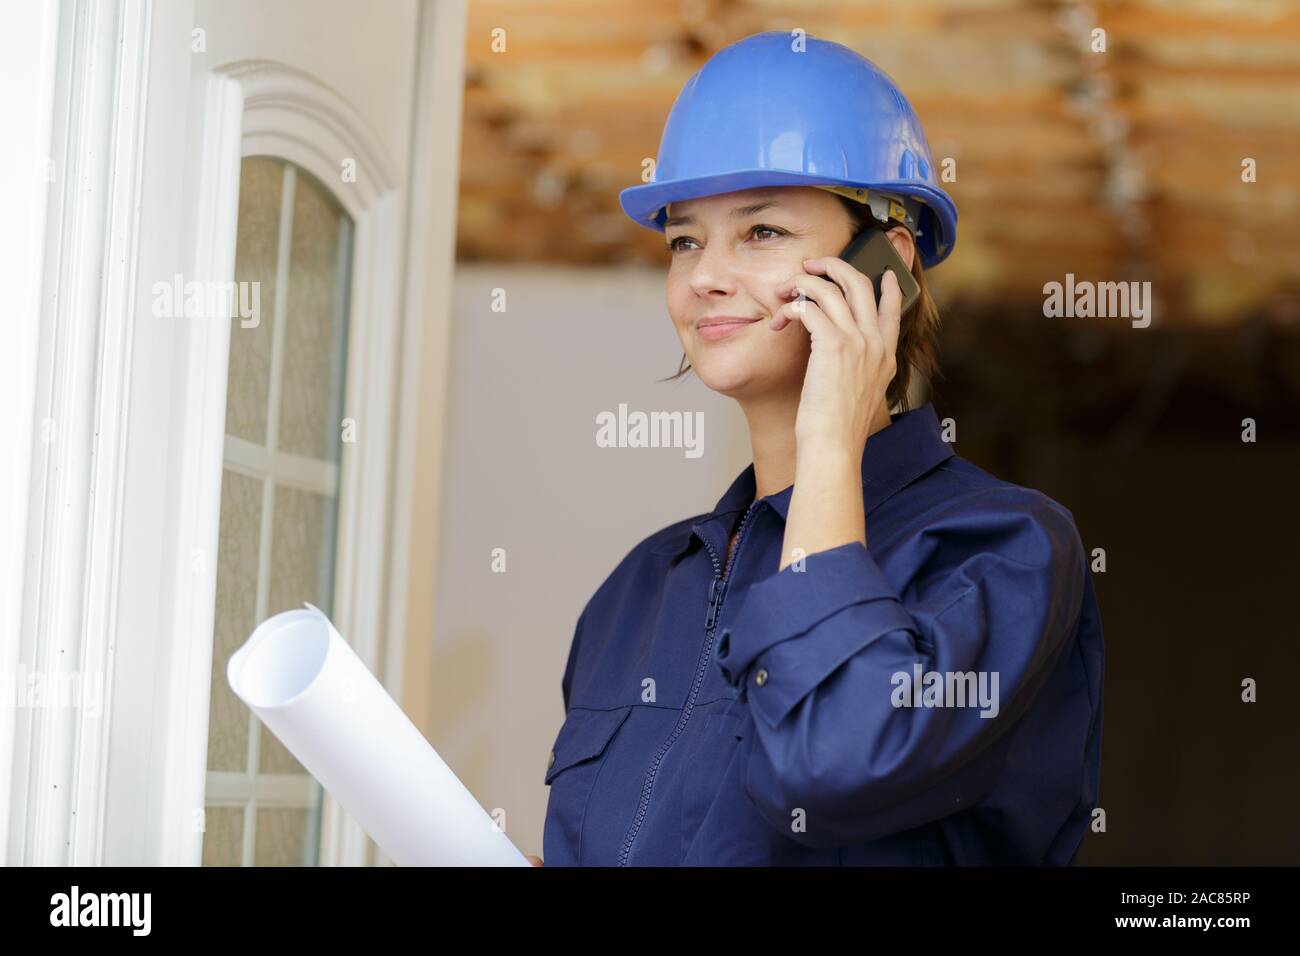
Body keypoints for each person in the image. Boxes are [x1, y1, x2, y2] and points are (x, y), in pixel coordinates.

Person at [535, 30, 1103, 866]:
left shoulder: (1003, 554)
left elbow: (833, 764)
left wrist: (830, 442)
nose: (703, 276)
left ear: (886, 268)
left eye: (760, 231)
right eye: (685, 239)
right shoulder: (643, 589)